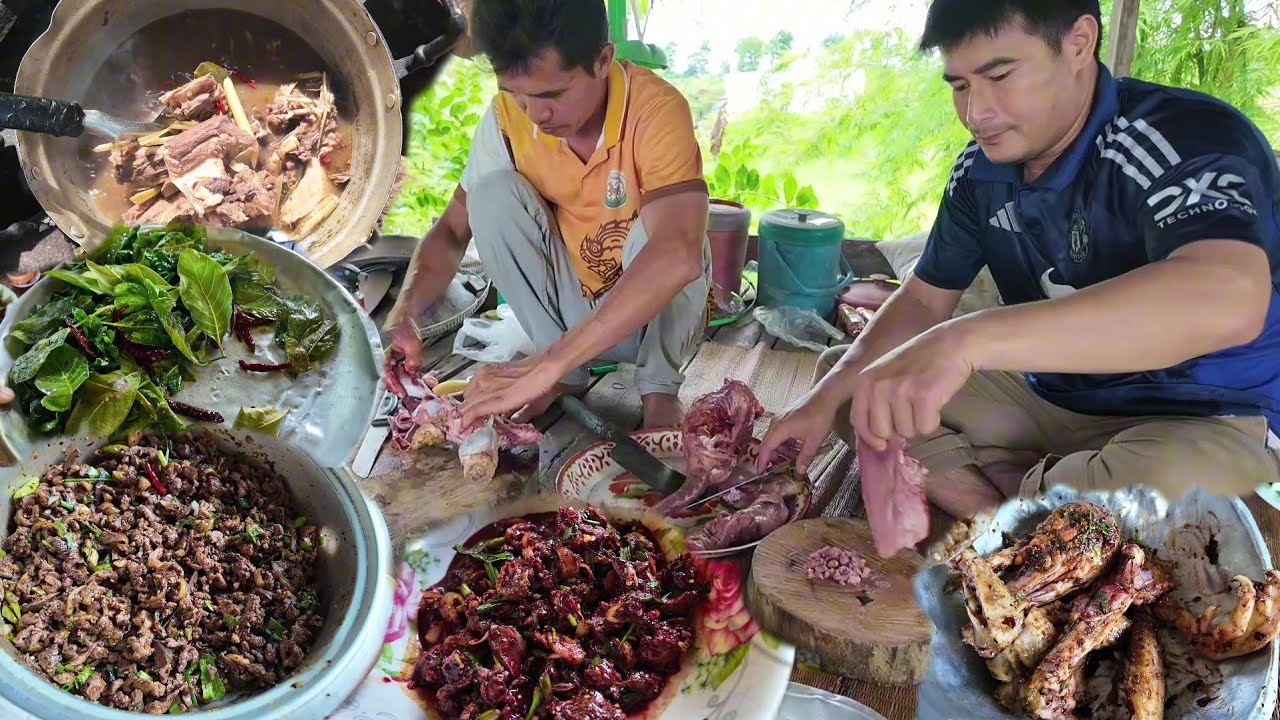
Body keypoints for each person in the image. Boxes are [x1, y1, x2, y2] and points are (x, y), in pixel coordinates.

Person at [759, 0, 1280, 520]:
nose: (975, 113)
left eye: (1000, 75)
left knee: (1172, 495)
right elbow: (922, 299)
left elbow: (1228, 299)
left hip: (1204, 413)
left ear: (1079, 42)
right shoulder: (980, 173)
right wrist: (818, 404)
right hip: (1054, 399)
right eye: (959, 86)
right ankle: (1003, 520)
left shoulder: (1181, 135)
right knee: (862, 388)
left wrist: (964, 340)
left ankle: (1027, 497)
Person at [385, 0, 711, 430]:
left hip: (651, 321)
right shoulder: (506, 121)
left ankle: (658, 390)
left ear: (602, 61)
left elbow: (679, 255)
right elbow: (450, 231)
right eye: (515, 93)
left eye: (551, 94)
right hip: (572, 318)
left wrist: (544, 365)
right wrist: (404, 311)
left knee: (672, 237)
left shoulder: (655, 109)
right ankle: (567, 378)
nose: (536, 115)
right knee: (490, 197)